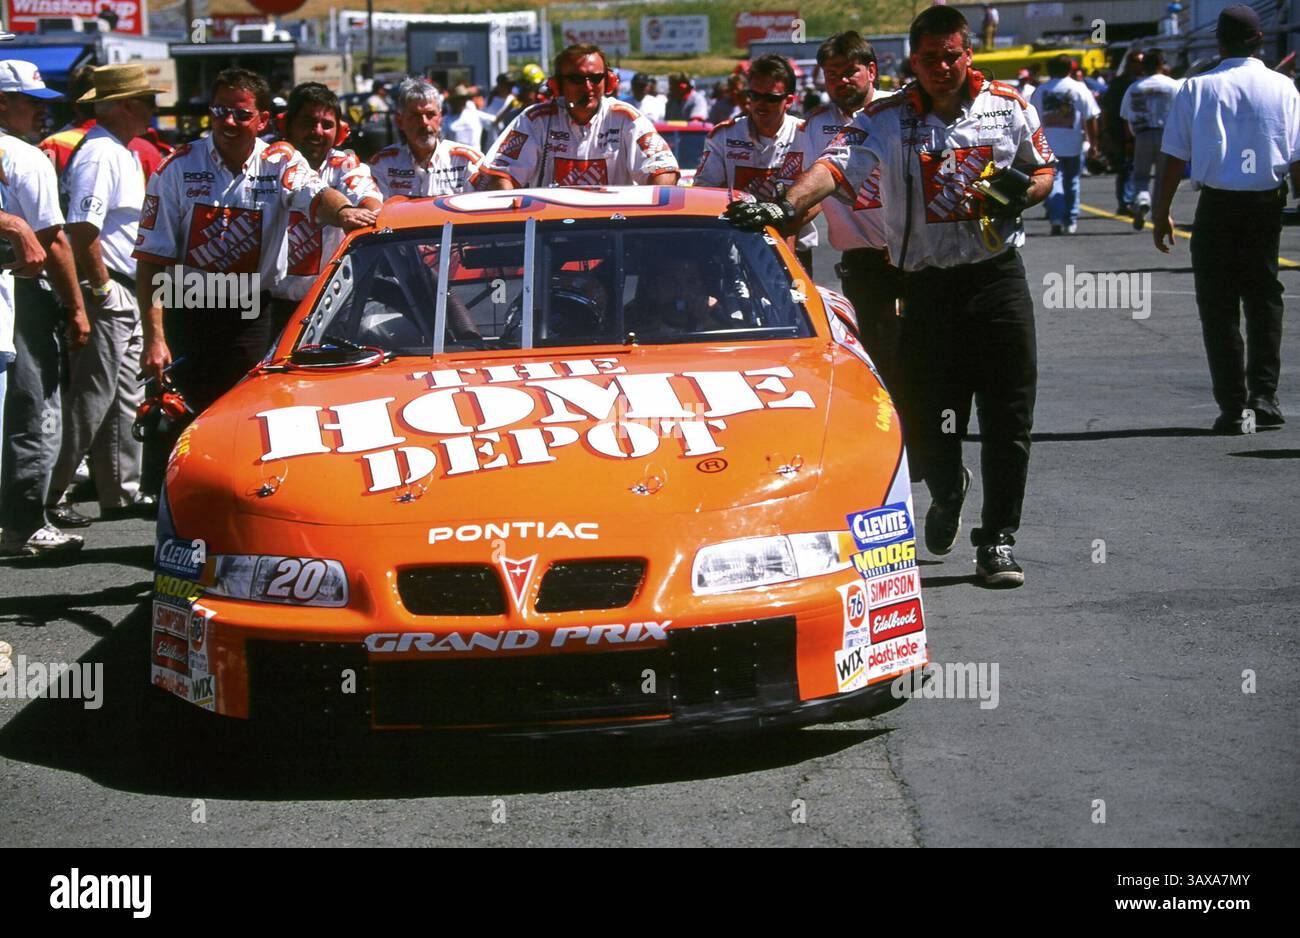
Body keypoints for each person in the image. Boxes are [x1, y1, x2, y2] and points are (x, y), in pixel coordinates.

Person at [725, 4, 1056, 587]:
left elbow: (1043, 171)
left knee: (1010, 418)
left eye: (952, 55)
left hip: (998, 278)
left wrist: (1015, 195)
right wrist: (785, 207)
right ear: (913, 61)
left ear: (968, 53)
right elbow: (832, 168)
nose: (942, 67)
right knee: (927, 418)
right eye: (929, 58)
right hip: (924, 288)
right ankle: (948, 484)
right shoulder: (886, 117)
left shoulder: (1011, 105)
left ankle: (998, 540)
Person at [132, 68, 373, 419]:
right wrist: (154, 338)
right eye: (219, 111)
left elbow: (318, 195)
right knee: (172, 421)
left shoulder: (280, 160)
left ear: (262, 121)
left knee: (249, 417)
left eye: (242, 114)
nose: (228, 121)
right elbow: (151, 259)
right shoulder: (177, 167)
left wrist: (347, 212)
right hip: (186, 306)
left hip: (250, 314)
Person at [1153, 4, 1300, 433]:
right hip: (1265, 206)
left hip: (1217, 206)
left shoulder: (1195, 88)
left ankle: (1234, 408)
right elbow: (1296, 159)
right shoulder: (1284, 87)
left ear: (1218, 41)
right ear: (1260, 41)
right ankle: (1264, 398)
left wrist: (1161, 214)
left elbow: (1172, 157)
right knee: (1264, 300)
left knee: (1217, 308)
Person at [46, 65, 164, 529]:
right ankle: (53, 492)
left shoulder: (117, 150)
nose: (154, 108)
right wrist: (100, 289)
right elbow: (82, 230)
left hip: (119, 284)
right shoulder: (101, 153)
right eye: (147, 100)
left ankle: (120, 489)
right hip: (109, 285)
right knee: (93, 396)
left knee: (122, 394)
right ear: (126, 105)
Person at [0, 60, 91, 556]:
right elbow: (54, 241)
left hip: (12, 292)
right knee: (34, 407)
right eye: (31, 101)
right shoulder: (25, 156)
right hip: (21, 296)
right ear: (2, 102)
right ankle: (23, 521)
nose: (41, 112)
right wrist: (77, 308)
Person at [795, 31, 903, 391]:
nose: (840, 81)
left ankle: (934, 425)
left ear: (871, 70)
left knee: (927, 342)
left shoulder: (901, 110)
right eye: (831, 74)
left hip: (917, 252)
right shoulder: (812, 126)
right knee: (875, 348)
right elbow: (805, 197)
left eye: (849, 72)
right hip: (863, 260)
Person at [473, 44, 679, 189]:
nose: (588, 87)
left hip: (613, 232)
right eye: (577, 79)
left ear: (609, 81)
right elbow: (501, 175)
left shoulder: (626, 118)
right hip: (549, 234)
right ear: (557, 86)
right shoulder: (534, 120)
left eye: (596, 78)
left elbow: (664, 170)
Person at [269, 82, 383, 334]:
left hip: (330, 301)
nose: (317, 132)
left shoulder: (344, 163)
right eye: (308, 122)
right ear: (287, 125)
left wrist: (368, 211)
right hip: (270, 303)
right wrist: (343, 212)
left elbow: (369, 197)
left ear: (340, 131)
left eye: (326, 125)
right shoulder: (269, 160)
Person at [695, 55, 819, 274]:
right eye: (754, 95)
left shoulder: (808, 134)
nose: (761, 104)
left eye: (770, 98)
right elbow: (704, 192)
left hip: (795, 248)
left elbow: (819, 198)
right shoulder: (724, 135)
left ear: (788, 100)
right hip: (737, 250)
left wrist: (787, 230)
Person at [39, 64, 167, 182]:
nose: (156, 109)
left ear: (74, 105)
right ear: (127, 105)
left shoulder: (53, 145)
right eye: (150, 101)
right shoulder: (147, 149)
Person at [369, 78, 483, 198]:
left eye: (430, 114)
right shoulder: (382, 163)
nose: (424, 123)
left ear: (440, 118)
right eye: (415, 116)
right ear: (400, 121)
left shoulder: (468, 161)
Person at [1031, 54, 1099, 234]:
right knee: (1073, 182)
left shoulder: (1040, 90)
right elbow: (1091, 117)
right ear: (1070, 69)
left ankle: (1056, 217)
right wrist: (1093, 143)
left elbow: (1031, 120)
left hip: (1048, 146)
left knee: (1054, 183)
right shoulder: (1079, 88)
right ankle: (1071, 219)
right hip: (1073, 144)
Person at [1121, 49, 1181, 230]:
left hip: (1142, 134)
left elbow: (1125, 116)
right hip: (1167, 135)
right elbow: (1183, 113)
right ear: (1161, 65)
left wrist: (1129, 140)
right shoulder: (1174, 86)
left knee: (1140, 175)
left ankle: (1141, 201)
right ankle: (1159, 215)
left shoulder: (1134, 88)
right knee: (1163, 178)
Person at [1101, 51, 1145, 215]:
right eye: (1136, 61)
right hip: (1119, 129)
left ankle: (1133, 200)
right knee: (1126, 166)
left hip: (1139, 129)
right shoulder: (1119, 83)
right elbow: (1106, 108)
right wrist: (1105, 132)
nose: (1140, 65)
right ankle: (1126, 201)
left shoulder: (1141, 82)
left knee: (1135, 167)